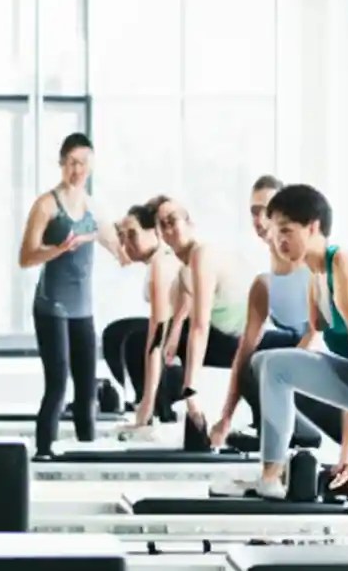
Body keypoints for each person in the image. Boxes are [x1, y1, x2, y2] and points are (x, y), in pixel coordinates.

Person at [247, 185, 348, 500]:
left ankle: (272, 475)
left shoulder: (343, 266)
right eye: (275, 232)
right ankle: (271, 474)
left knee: (274, 364)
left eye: (286, 231)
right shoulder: (314, 273)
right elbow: (312, 339)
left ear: (313, 227)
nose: (279, 240)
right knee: (265, 362)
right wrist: (278, 383)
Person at [208, 175, 345, 451]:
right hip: (295, 375)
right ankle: (279, 441)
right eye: (255, 212)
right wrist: (225, 417)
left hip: (333, 381)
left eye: (269, 210)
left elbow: (317, 336)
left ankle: (299, 437)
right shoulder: (264, 284)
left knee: (268, 364)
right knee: (253, 362)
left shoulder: (317, 268)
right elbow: (244, 353)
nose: (262, 219)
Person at [18, 132, 128, 456]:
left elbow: (118, 249)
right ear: (62, 164)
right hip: (51, 306)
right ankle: (42, 452)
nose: (77, 170)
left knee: (87, 388)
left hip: (83, 309)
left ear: (91, 167)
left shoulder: (94, 208)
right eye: (71, 163)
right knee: (57, 384)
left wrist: (141, 254)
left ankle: (86, 452)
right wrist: (59, 249)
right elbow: (25, 257)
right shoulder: (46, 205)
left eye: (83, 164)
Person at [151, 195, 255, 427]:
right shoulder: (184, 269)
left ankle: (190, 407)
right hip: (231, 338)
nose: (168, 228)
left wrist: (191, 393)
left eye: (173, 220)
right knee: (161, 340)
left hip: (253, 339)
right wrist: (173, 337)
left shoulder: (202, 255)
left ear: (189, 224)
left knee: (181, 338)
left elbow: (200, 326)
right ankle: (162, 415)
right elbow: (182, 310)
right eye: (162, 224)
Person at [115, 203, 182, 428]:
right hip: (179, 331)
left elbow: (157, 335)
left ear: (154, 232)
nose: (127, 244)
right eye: (123, 237)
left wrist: (148, 398)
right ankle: (140, 400)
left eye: (133, 235)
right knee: (117, 332)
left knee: (136, 341)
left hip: (200, 337)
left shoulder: (162, 264)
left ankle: (154, 409)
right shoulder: (157, 260)